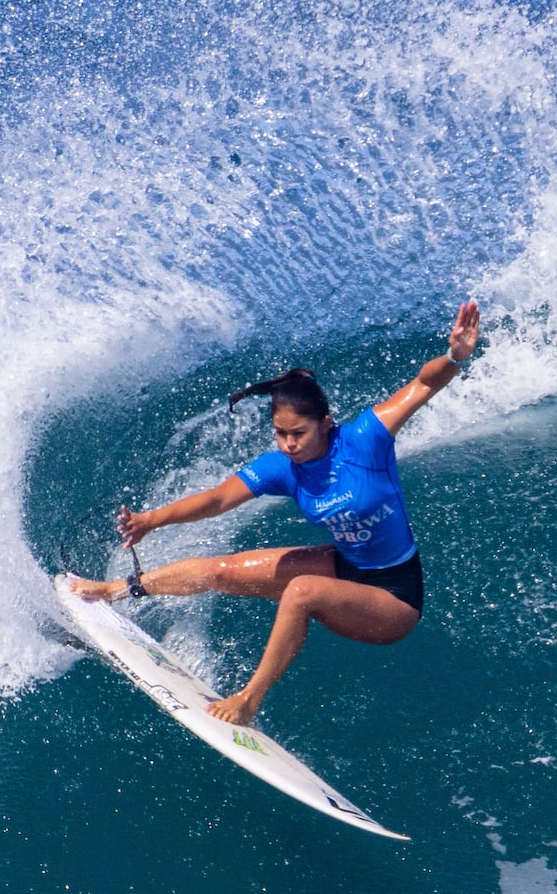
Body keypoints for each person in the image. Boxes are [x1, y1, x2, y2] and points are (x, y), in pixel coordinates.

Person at [70, 301, 482, 725]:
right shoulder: (282, 468)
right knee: (221, 570)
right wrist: (151, 520)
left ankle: (248, 701)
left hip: (395, 595)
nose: (289, 444)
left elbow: (423, 384)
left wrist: (454, 357)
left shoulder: (366, 439)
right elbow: (218, 499)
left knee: (301, 591)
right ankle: (115, 590)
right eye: (280, 433)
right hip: (346, 566)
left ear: (325, 423)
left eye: (298, 433)